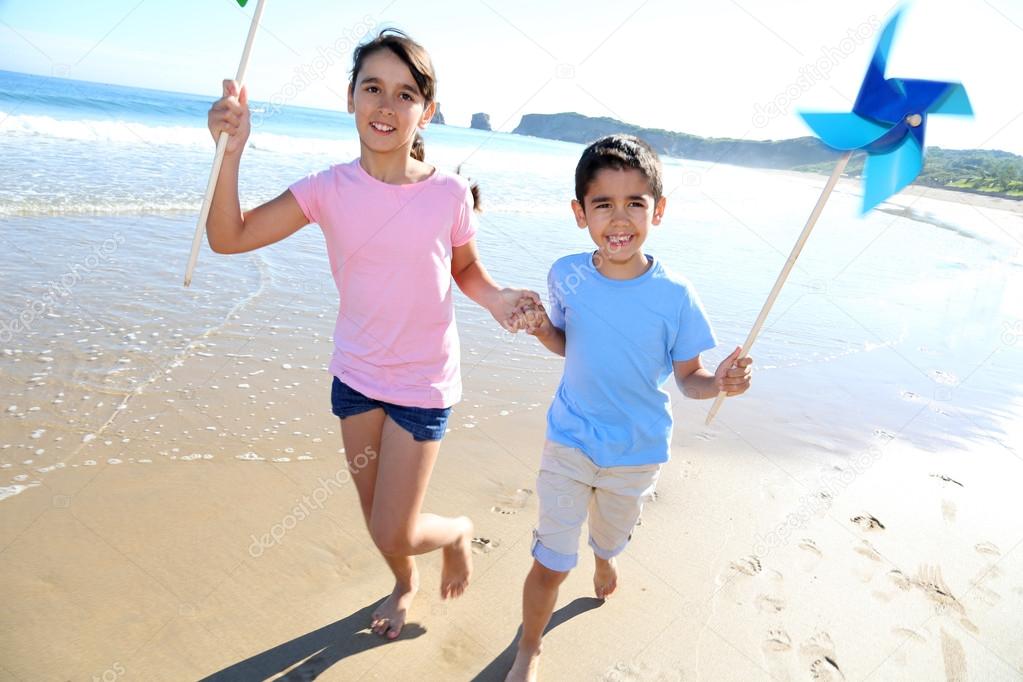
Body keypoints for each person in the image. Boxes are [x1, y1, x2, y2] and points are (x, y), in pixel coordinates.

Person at [206, 28, 539, 640]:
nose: (386, 106)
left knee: (394, 528)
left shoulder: (448, 194)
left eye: (405, 94)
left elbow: (464, 269)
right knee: (376, 520)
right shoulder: (326, 189)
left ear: (426, 110)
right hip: (356, 378)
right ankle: (406, 582)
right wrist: (231, 152)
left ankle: (456, 531)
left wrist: (497, 301)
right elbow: (228, 237)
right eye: (373, 89)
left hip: (423, 384)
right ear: (351, 99)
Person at [505, 135, 753, 681]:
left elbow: (690, 378)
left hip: (636, 452)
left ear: (658, 211)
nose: (620, 219)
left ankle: (606, 554)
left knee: (611, 533)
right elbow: (569, 342)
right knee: (549, 560)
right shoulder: (566, 273)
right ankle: (529, 646)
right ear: (580, 213)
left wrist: (722, 383)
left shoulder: (676, 295)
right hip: (569, 437)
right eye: (603, 204)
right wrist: (544, 326)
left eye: (635, 203)